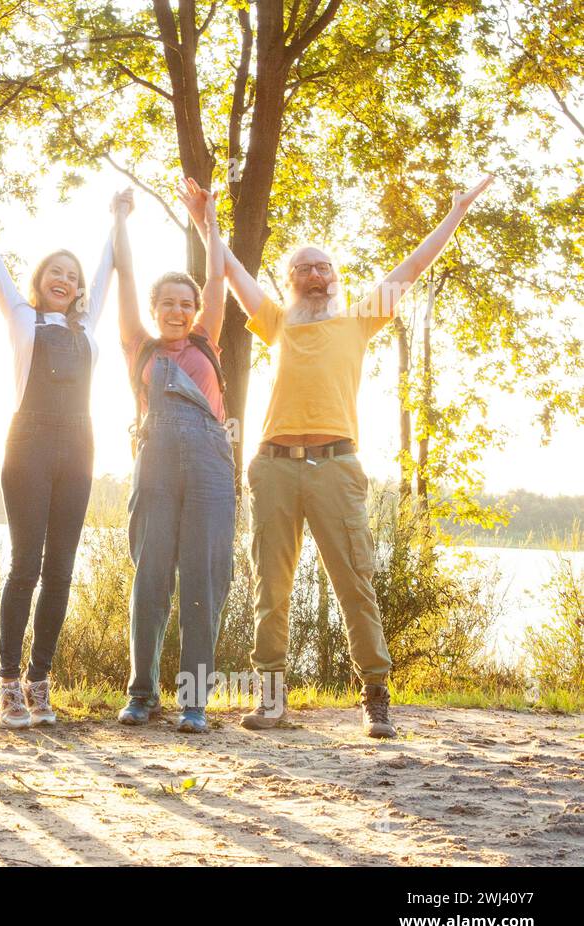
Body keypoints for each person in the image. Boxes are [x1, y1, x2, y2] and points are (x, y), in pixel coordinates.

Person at [178, 173, 494, 738]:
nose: (315, 274)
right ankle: (271, 700)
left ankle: (375, 697)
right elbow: (227, 269)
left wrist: (457, 212)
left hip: (338, 467)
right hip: (273, 467)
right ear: (292, 280)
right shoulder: (276, 322)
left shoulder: (360, 320)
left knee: (355, 583)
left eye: (324, 267)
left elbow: (413, 267)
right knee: (270, 590)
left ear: (336, 278)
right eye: (304, 267)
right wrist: (207, 219)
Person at [0, 198, 115, 728]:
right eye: (56, 270)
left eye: (73, 276)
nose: (66, 278)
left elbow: (107, 271)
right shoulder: (21, 317)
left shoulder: (88, 327)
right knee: (25, 564)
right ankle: (8, 683)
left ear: (79, 289)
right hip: (27, 444)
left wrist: (116, 221)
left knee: (61, 571)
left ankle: (40, 680)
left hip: (79, 447)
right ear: (41, 279)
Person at [112, 185, 234, 733]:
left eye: (185, 304)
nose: (179, 311)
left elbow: (216, 280)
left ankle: (194, 701)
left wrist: (206, 221)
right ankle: (143, 694)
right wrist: (120, 220)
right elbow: (127, 281)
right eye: (168, 303)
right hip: (155, 466)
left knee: (203, 581)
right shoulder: (138, 345)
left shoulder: (207, 340)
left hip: (210, 468)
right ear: (155, 310)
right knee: (151, 577)